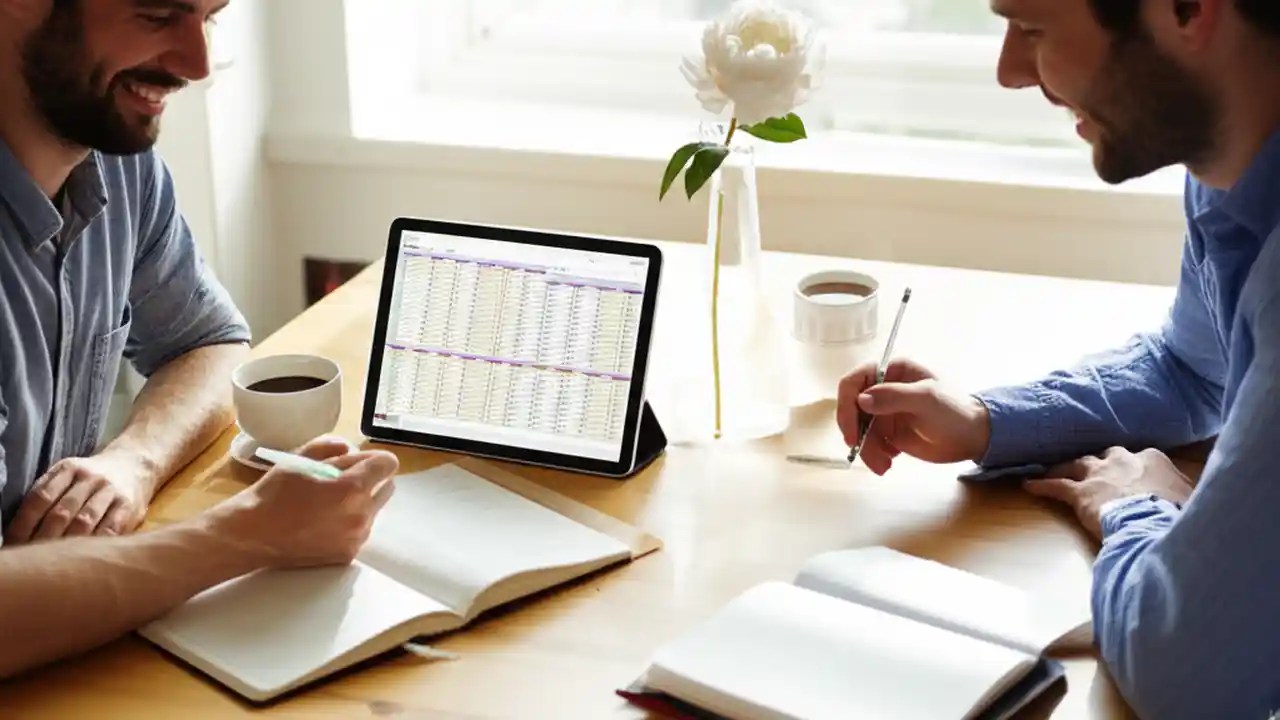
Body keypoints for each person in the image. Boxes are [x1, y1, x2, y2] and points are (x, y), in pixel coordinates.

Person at [838, 0, 1280, 716]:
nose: (1010, 71)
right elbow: (1197, 368)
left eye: (1032, 27)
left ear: (1189, 9)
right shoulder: (1231, 176)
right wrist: (987, 421)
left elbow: (1184, 671)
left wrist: (1133, 508)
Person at [0, 0, 398, 676]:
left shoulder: (118, 164)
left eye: (210, 17)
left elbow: (210, 341)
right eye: (160, 14)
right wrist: (247, 533)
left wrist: (136, 460)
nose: (197, 65)